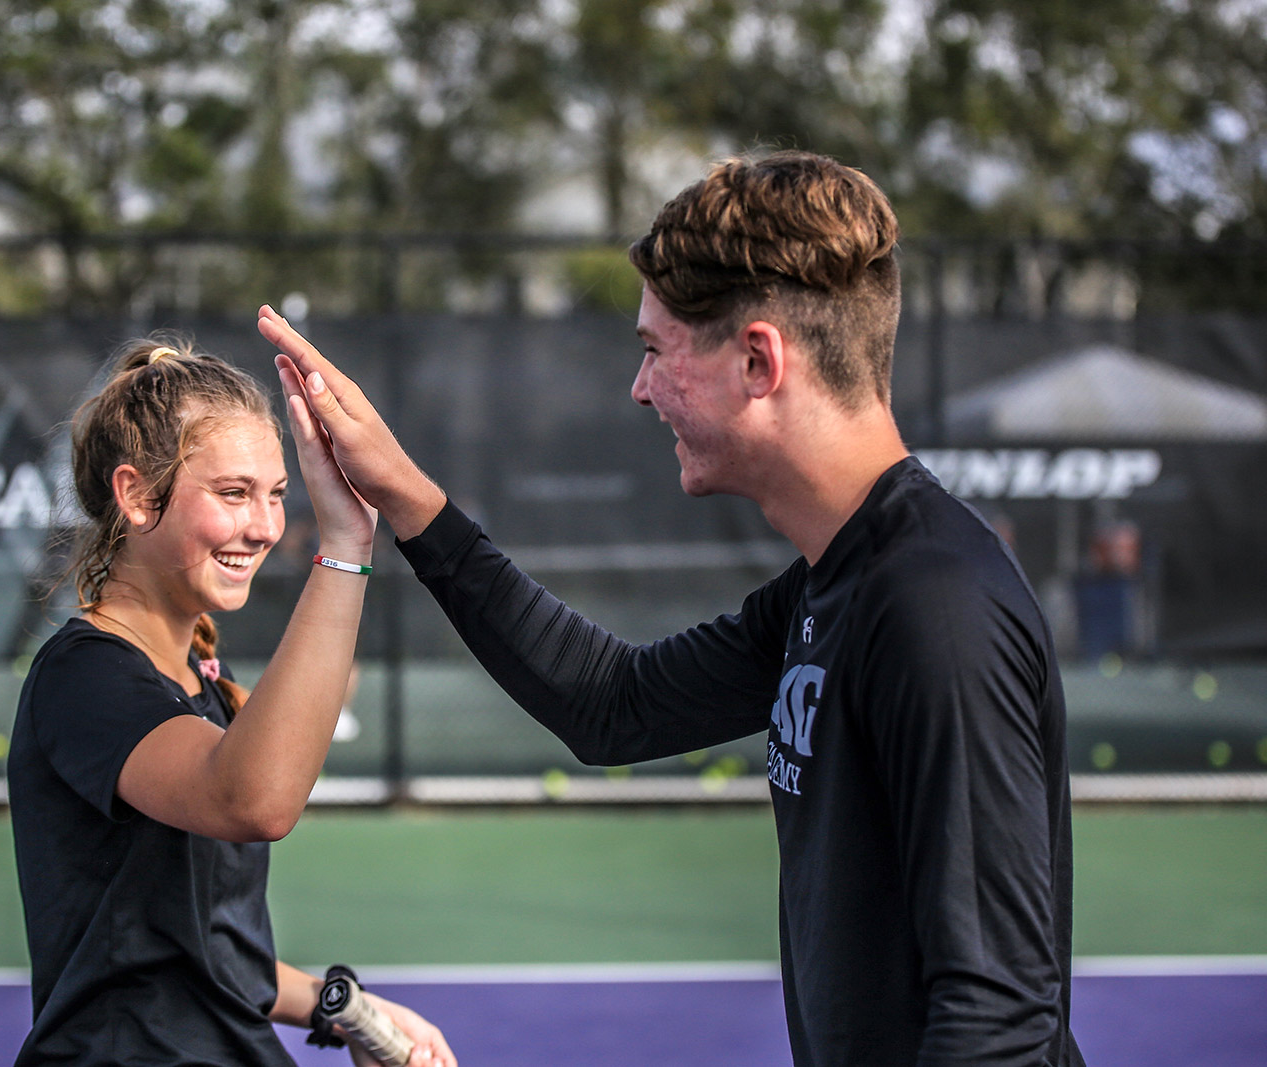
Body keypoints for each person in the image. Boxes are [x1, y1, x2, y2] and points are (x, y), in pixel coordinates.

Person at [257, 150, 1084, 1066]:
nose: (640, 386)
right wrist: (407, 498)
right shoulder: (836, 581)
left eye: (655, 350)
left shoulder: (935, 610)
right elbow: (612, 703)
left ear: (759, 360)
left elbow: (998, 1018)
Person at [7, 337, 454, 1067]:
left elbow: (205, 947)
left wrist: (348, 1009)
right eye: (234, 493)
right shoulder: (83, 677)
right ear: (137, 496)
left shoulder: (201, 678)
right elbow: (255, 804)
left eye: (276, 494)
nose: (266, 525)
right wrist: (346, 545)